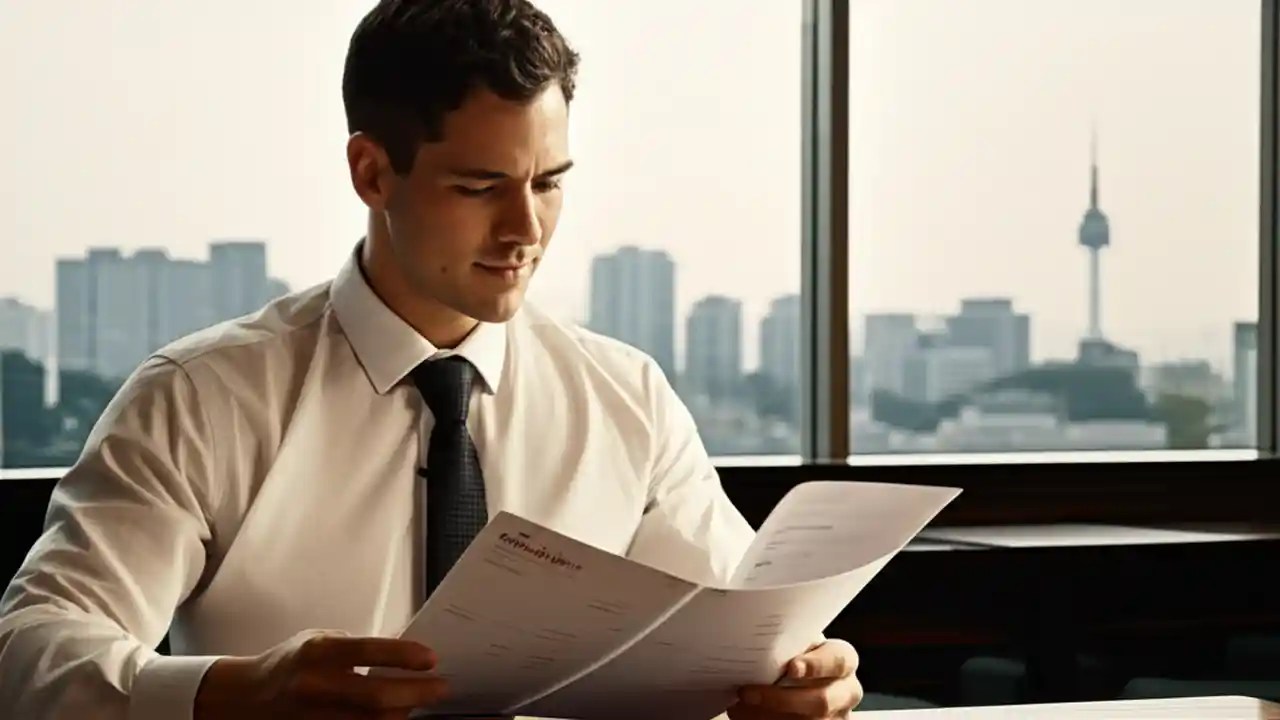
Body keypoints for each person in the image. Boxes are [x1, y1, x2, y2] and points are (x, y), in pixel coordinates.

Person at [0, 1, 864, 718]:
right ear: (372, 173)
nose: (526, 231)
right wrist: (235, 691)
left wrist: (803, 676)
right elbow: (31, 648)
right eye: (480, 188)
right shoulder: (203, 399)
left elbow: (747, 630)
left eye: (549, 181)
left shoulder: (624, 396)